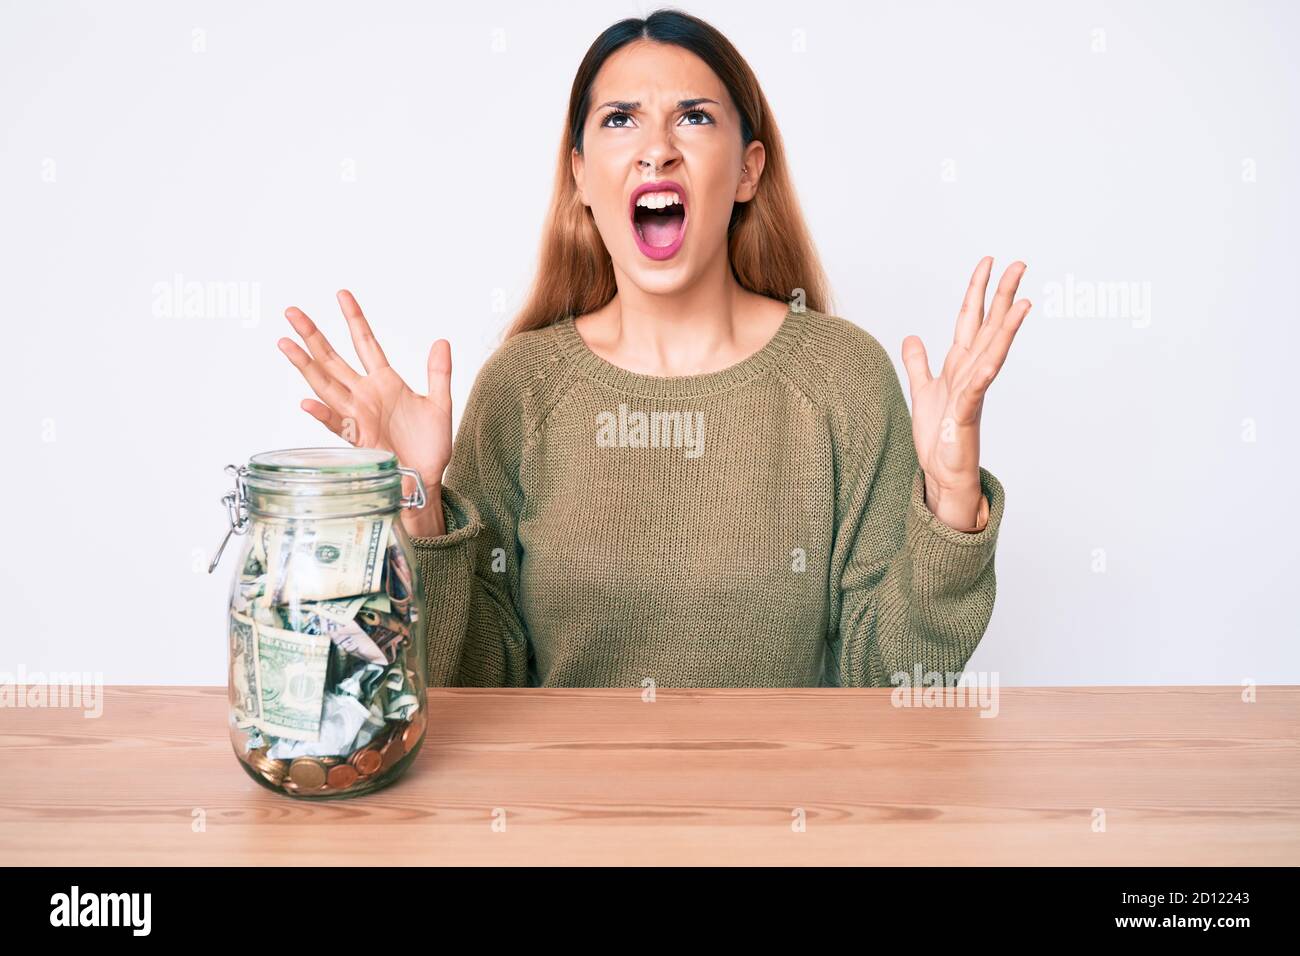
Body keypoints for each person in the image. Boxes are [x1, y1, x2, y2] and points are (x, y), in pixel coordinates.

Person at [276, 9, 1029, 688]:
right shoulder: (524, 388)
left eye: (694, 118)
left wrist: (952, 503)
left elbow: (898, 684)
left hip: (779, 828)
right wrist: (419, 502)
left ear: (747, 170)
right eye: (620, 120)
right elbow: (470, 686)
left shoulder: (842, 378)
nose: (656, 151)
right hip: (565, 830)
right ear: (580, 177)